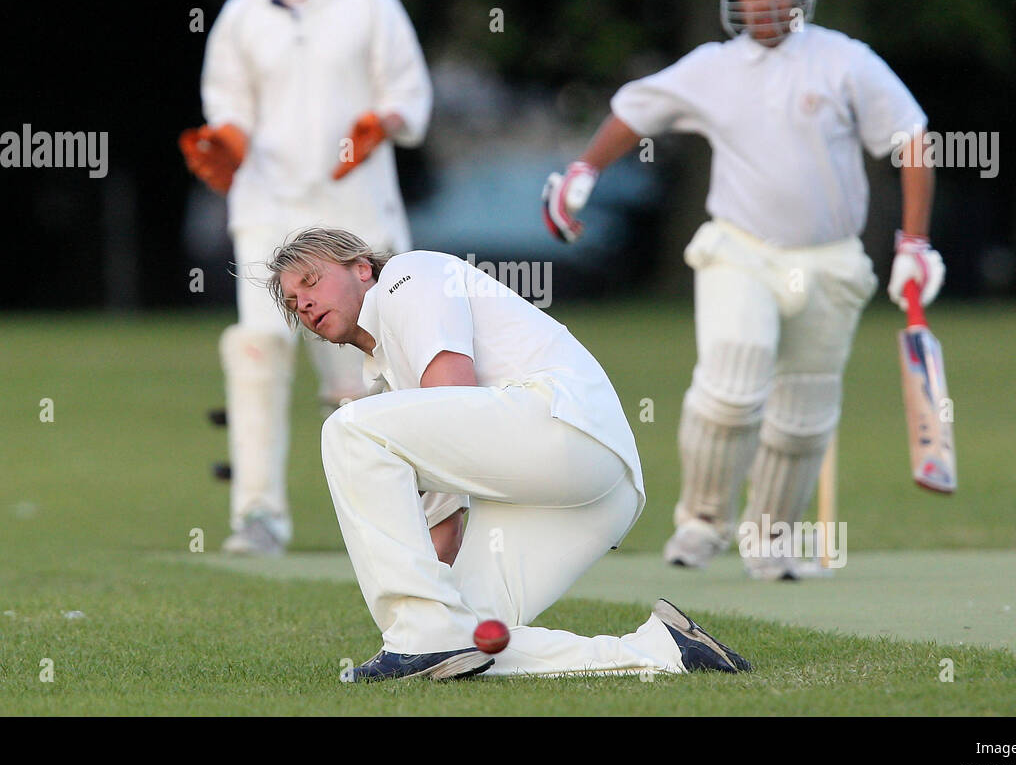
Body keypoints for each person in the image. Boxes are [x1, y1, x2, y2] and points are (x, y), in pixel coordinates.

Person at [542, 0, 944, 579]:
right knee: (733, 387)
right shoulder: (713, 68)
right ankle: (702, 522)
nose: (764, 1)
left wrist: (916, 243)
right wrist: (581, 173)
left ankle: (773, 541)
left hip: (831, 261)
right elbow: (635, 111)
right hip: (741, 250)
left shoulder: (845, 61)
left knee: (806, 413)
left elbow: (912, 140)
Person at [266, 228, 752, 681]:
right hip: (600, 489)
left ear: (362, 268)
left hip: (562, 430)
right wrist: (439, 589)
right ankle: (666, 652)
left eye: (311, 281)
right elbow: (445, 460)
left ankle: (420, 635)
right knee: (468, 644)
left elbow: (448, 398)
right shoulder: (388, 367)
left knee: (348, 430)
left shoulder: (407, 277)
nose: (304, 303)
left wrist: (420, 606)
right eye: (293, 303)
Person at [179, 0, 464, 559]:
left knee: (366, 368)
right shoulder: (244, 14)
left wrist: (379, 122)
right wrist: (229, 141)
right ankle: (259, 515)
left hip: (354, 212)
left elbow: (410, 95)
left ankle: (399, 518)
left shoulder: (371, 1)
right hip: (268, 209)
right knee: (258, 349)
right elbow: (228, 104)